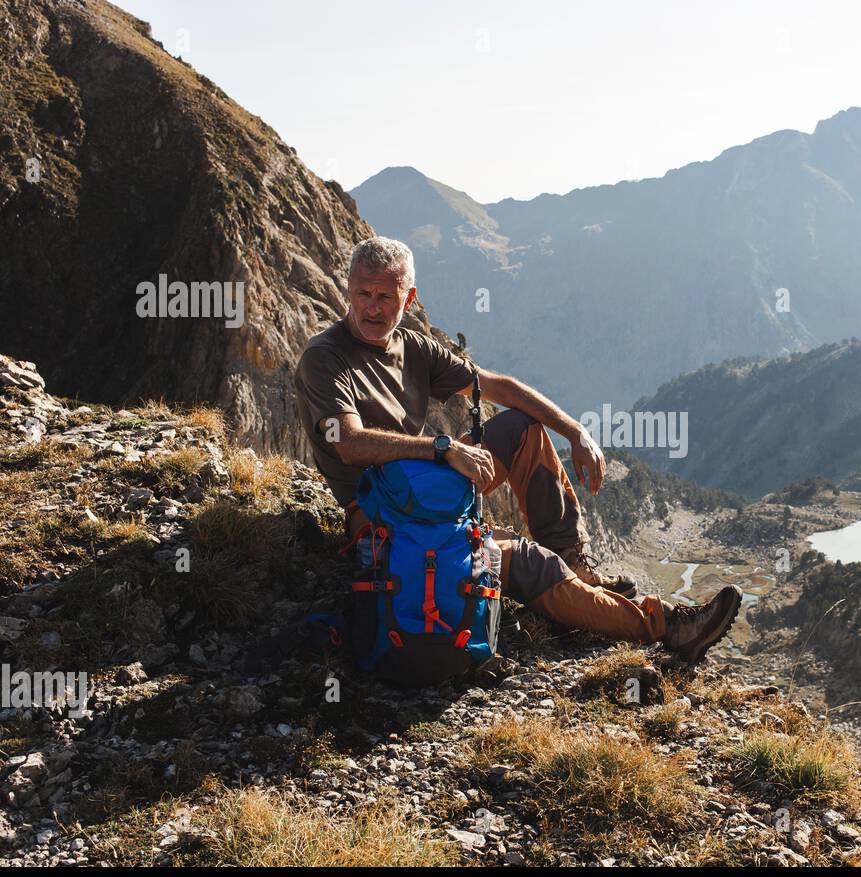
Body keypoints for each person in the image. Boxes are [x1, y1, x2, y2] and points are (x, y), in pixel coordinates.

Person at [293, 237, 741, 665]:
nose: (371, 308)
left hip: (430, 485)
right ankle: (662, 627)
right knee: (520, 558)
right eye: (362, 293)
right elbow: (347, 443)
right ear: (347, 291)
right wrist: (441, 448)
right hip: (382, 515)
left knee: (522, 427)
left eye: (385, 297)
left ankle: (570, 562)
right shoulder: (325, 357)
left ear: (408, 299)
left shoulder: (412, 346)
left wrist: (575, 432)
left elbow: (499, 387)